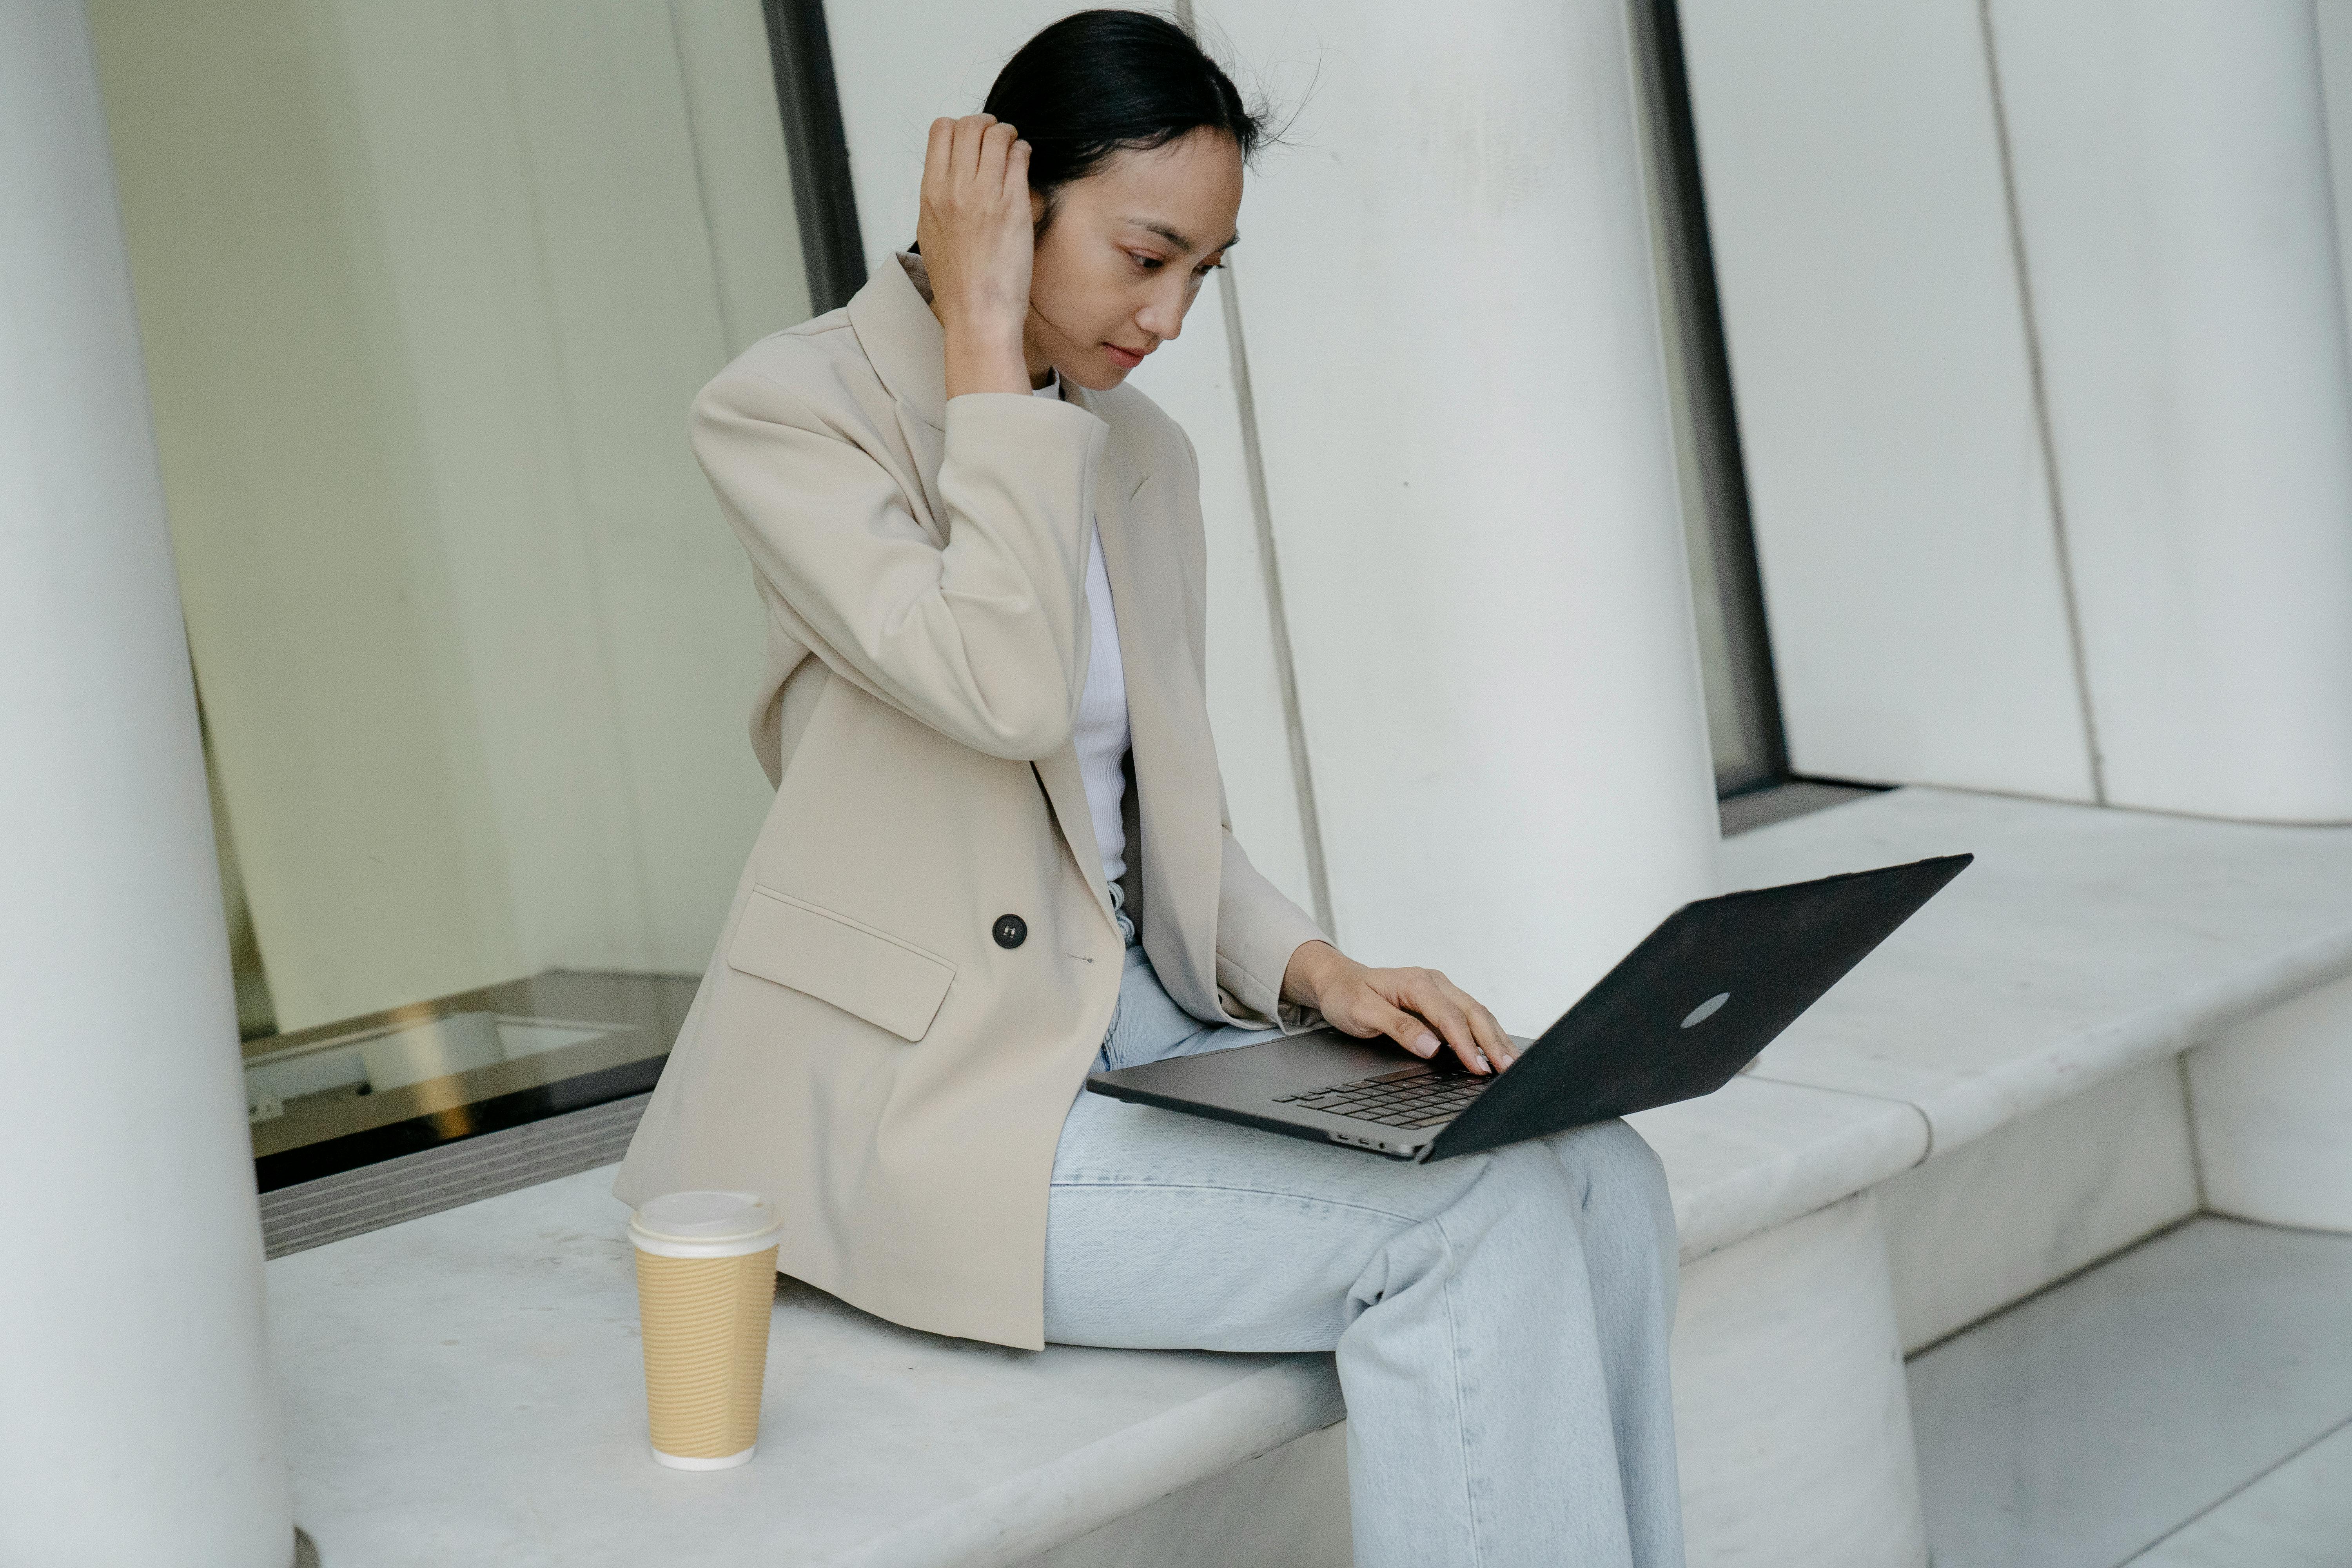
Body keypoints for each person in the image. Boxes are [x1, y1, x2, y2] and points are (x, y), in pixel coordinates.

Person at [615, 11, 1682, 1564]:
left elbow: (1157, 813)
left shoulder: (1139, 456)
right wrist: (983, 346)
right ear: (1005, 203)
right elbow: (1003, 686)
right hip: (950, 1093)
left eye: (1203, 274)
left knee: (1601, 1165)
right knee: (1472, 1222)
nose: (1170, 316)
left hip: (1157, 1032)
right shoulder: (794, 411)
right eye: (1144, 255)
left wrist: (1321, 970)